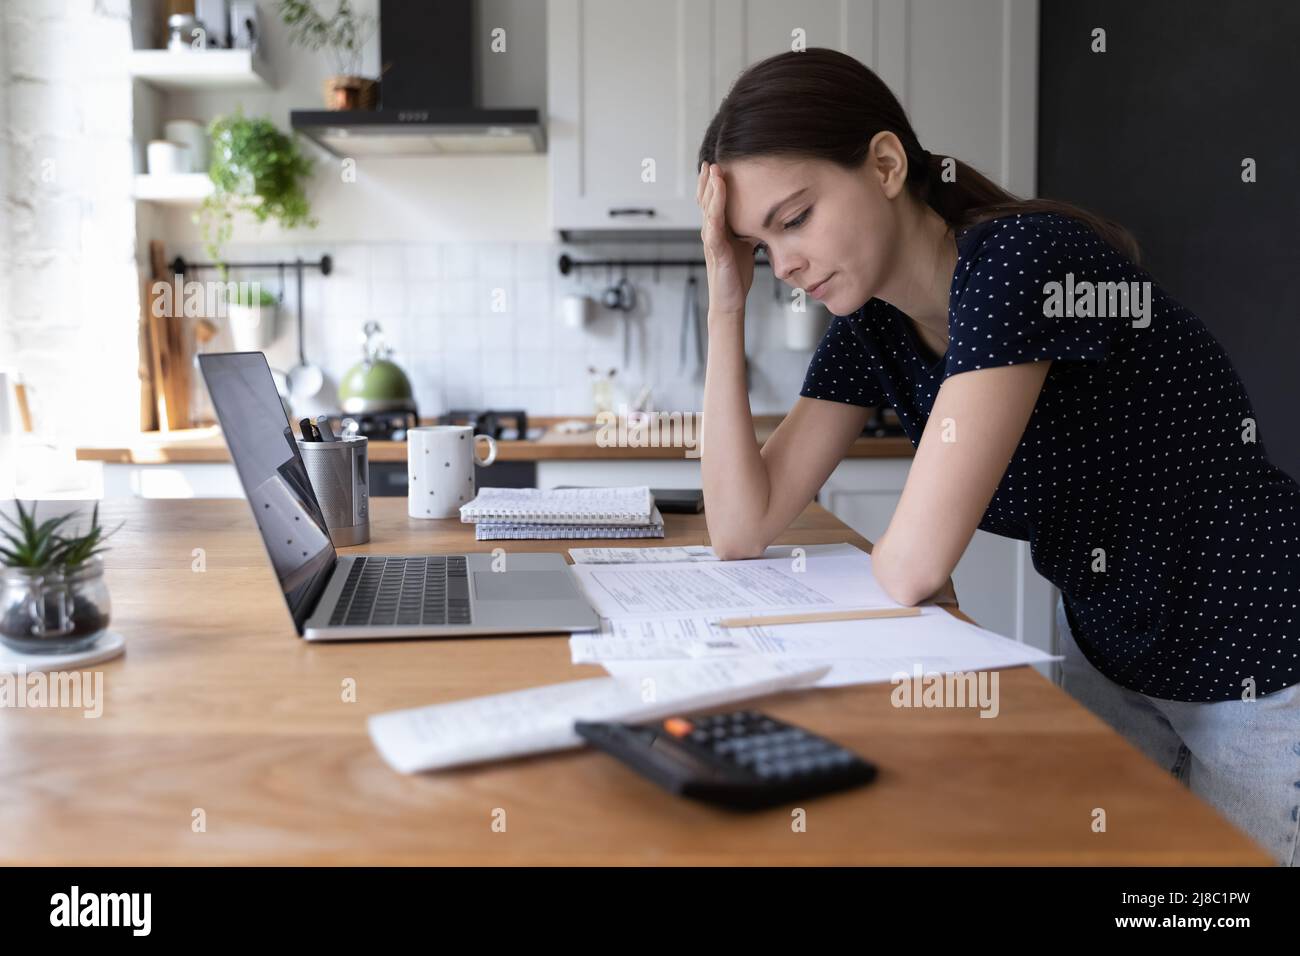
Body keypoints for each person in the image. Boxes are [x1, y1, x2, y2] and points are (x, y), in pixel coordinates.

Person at [695, 47, 1300, 866]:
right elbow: (739, 527)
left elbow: (911, 568)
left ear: (883, 163)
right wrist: (724, 300)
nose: (785, 265)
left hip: (1254, 647)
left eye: (794, 218)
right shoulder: (874, 324)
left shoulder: (1021, 261)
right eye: (758, 244)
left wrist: (918, 563)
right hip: (1107, 642)